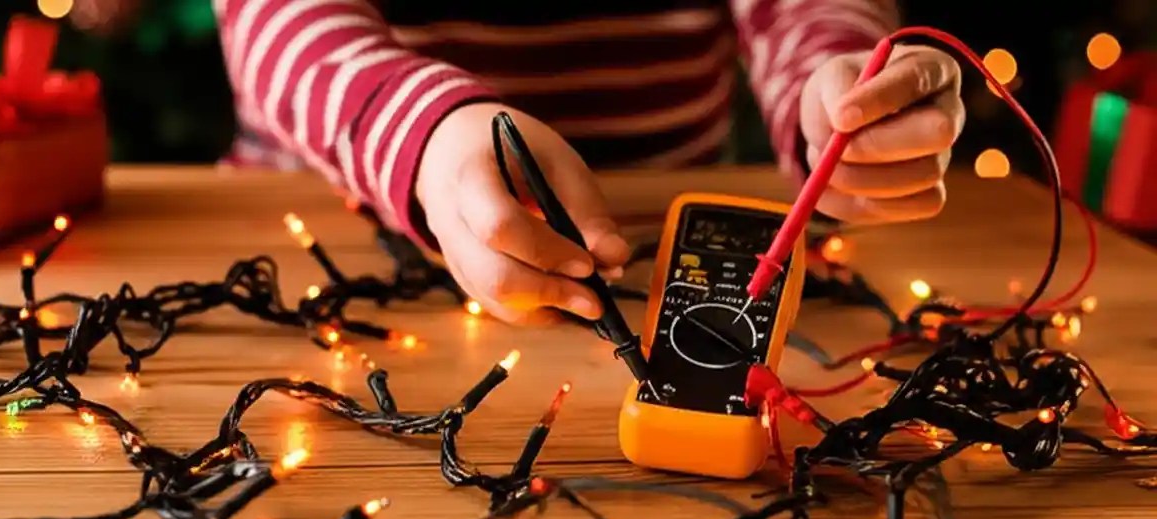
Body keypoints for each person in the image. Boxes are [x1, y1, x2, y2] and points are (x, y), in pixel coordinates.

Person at [214, 1, 963, 325]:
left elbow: (804, 11)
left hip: (668, 258)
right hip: (315, 266)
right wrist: (431, 139)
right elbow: (279, 20)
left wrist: (835, 91)